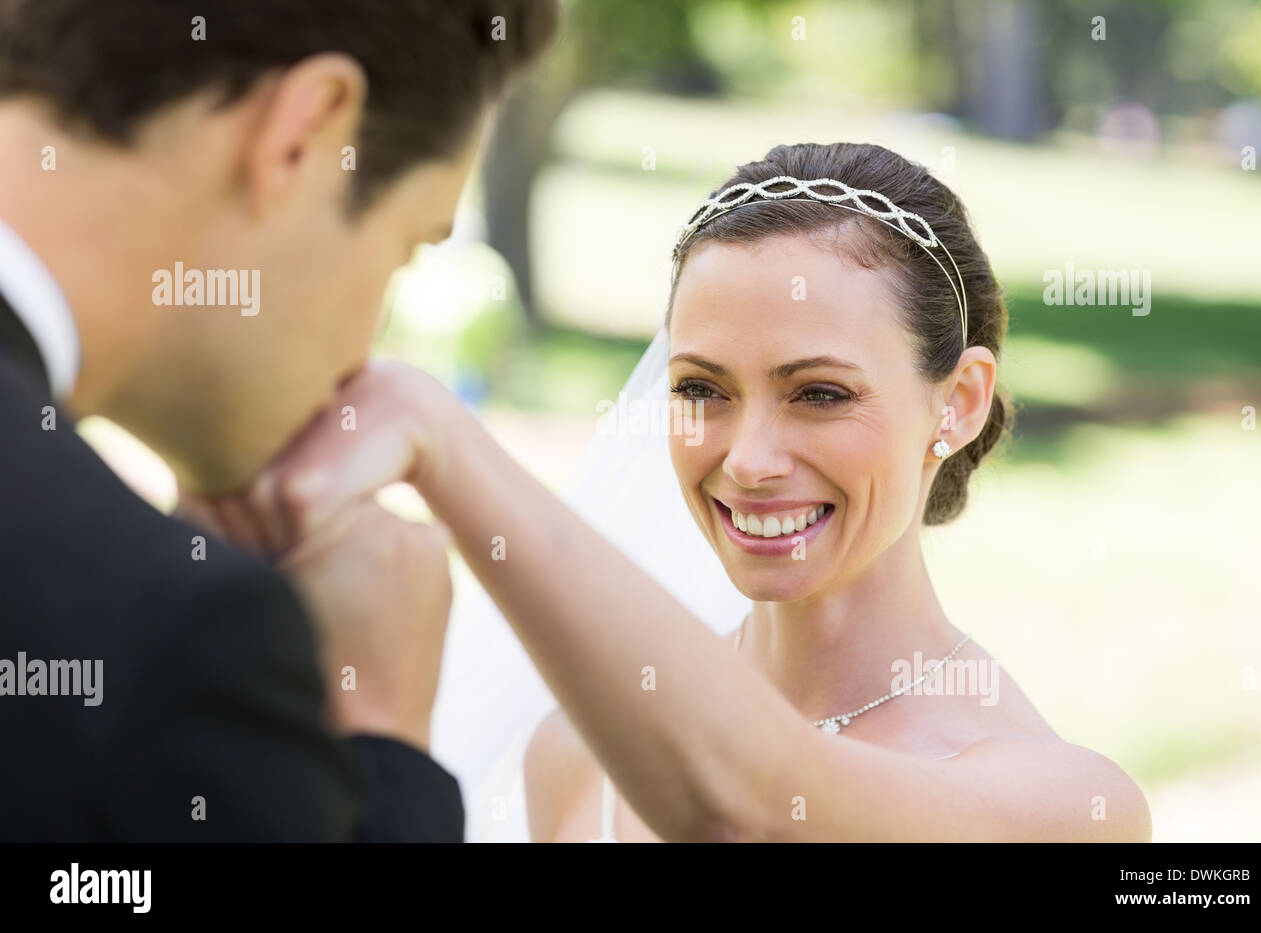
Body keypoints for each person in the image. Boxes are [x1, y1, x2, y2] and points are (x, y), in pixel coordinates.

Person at [229, 143, 1153, 842]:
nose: (748, 458)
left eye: (819, 393)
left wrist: (443, 446)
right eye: (701, 389)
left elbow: (741, 804)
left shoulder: (1068, 806)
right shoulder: (575, 753)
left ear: (958, 401)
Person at [0, 0, 557, 841]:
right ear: (305, 134)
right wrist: (383, 737)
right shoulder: (172, 632)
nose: (359, 358)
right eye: (405, 245)